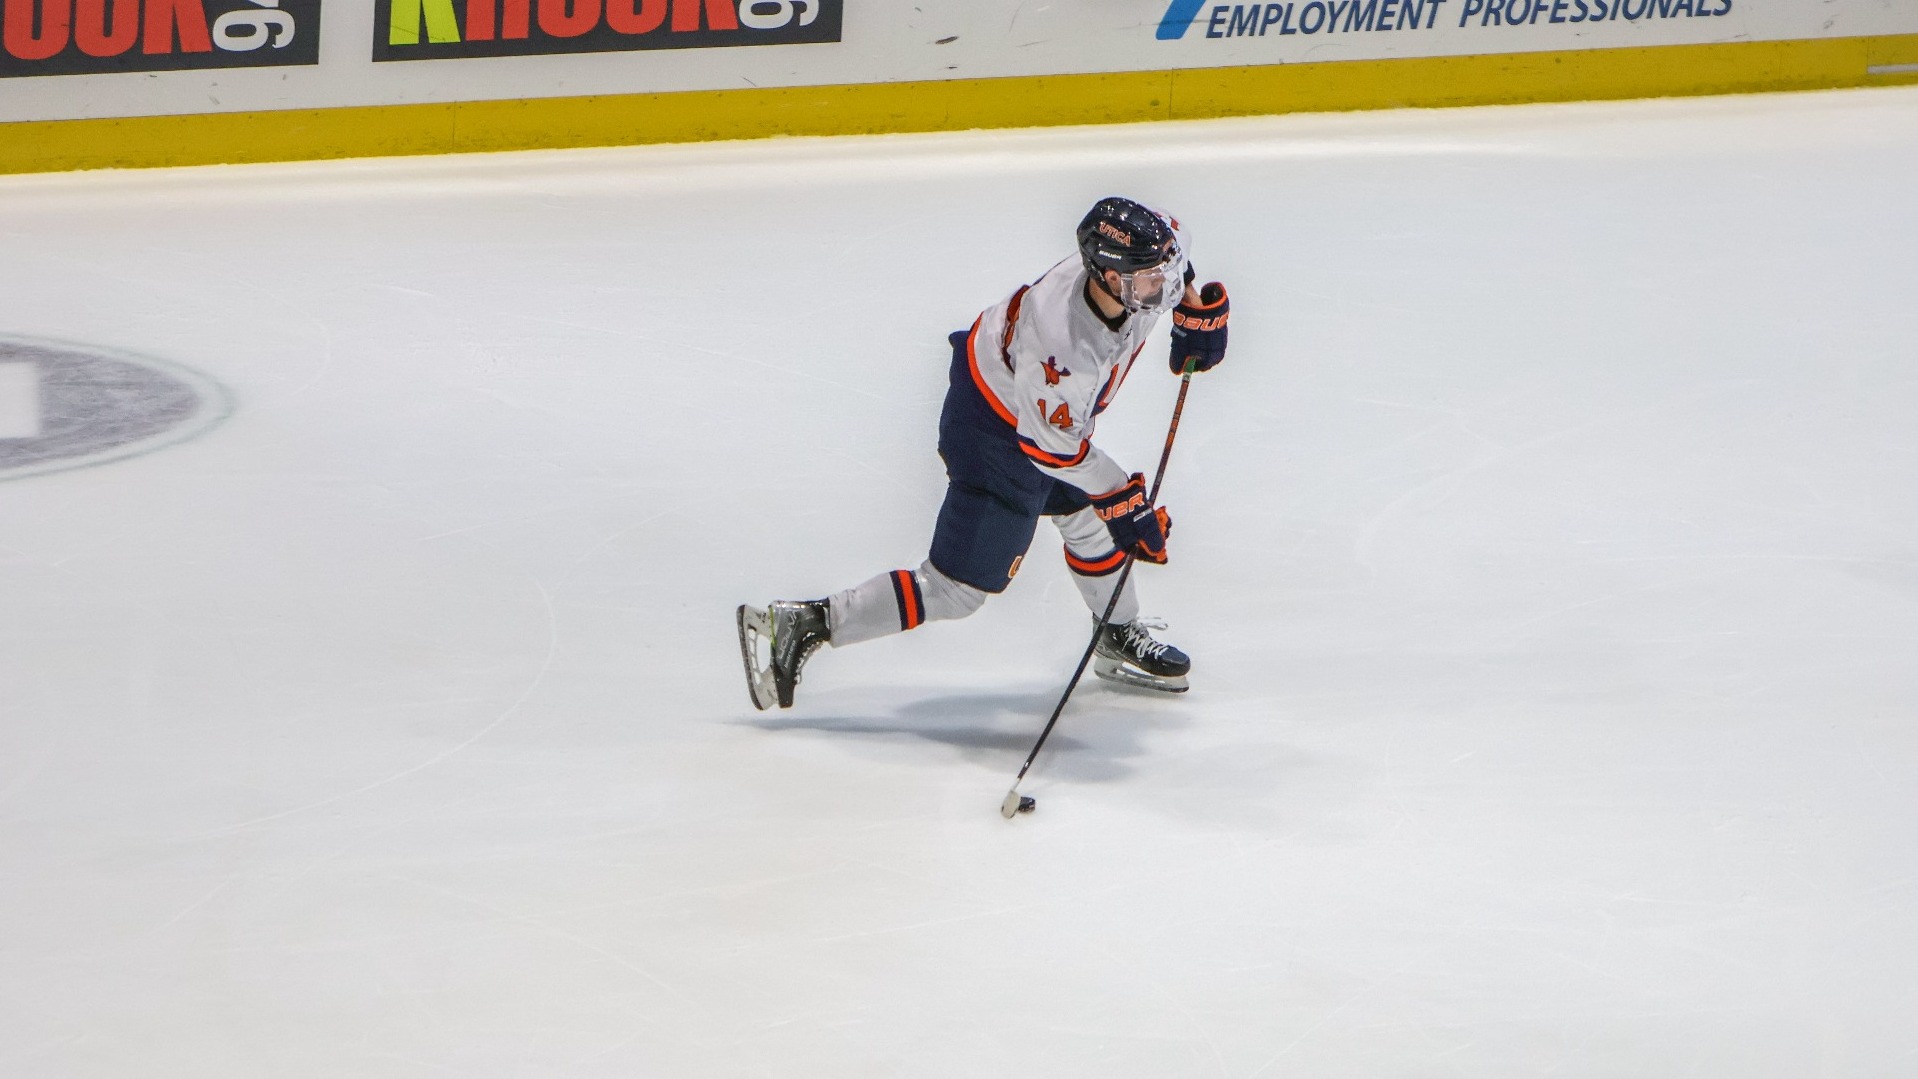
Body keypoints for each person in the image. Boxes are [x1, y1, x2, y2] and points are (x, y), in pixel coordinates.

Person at [736, 196, 1230, 710]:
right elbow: (1052, 450)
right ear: (1107, 276)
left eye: (1164, 273)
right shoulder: (1062, 345)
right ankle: (801, 623)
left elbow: (1180, 262)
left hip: (1037, 415)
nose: (1163, 289)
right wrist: (1123, 501)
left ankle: (1116, 633)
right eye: (1150, 281)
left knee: (1091, 520)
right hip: (994, 431)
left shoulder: (1150, 256)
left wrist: (1193, 307)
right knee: (956, 590)